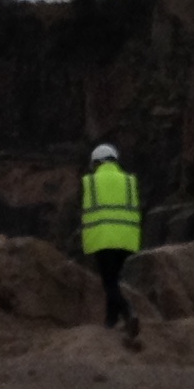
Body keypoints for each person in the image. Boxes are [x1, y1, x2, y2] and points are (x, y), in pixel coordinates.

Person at [79, 141, 143, 347]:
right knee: (114, 279)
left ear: (96, 162)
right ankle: (110, 321)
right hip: (127, 238)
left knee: (109, 282)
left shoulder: (91, 181)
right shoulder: (129, 180)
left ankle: (127, 311)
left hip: (103, 237)